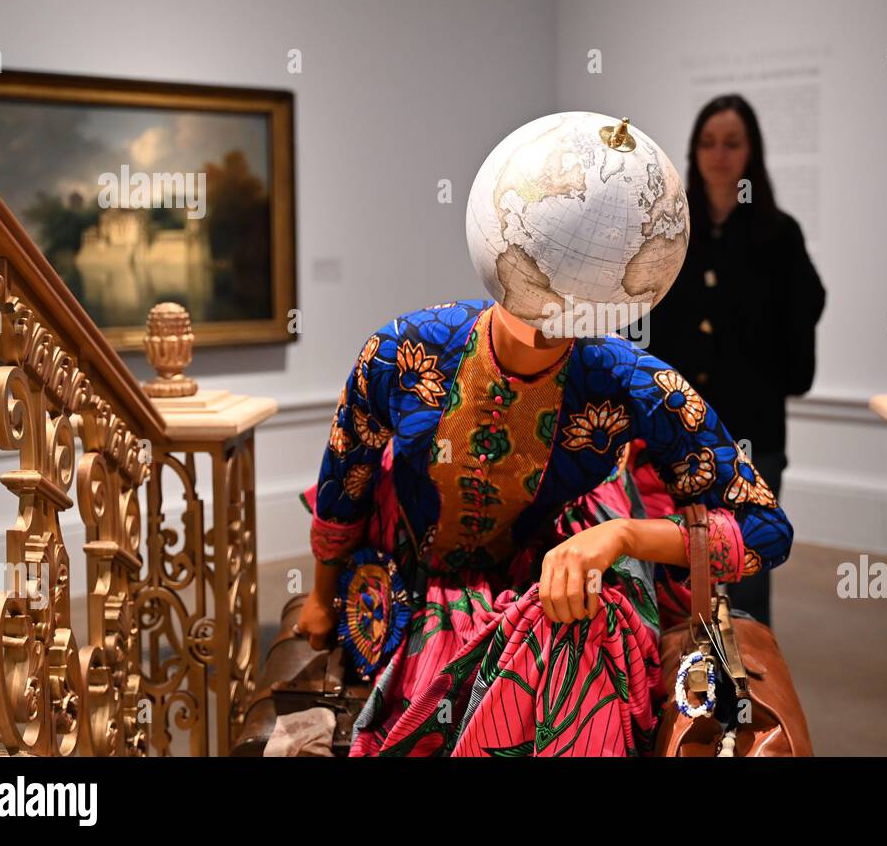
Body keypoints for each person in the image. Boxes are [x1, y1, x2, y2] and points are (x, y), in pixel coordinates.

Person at [294, 113, 795, 757]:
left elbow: (766, 530)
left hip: (551, 596)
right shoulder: (406, 350)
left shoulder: (629, 380)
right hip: (414, 585)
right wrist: (320, 595)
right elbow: (347, 474)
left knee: (581, 666)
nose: (549, 320)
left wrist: (620, 536)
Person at [647, 94, 826, 627]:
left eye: (731, 143)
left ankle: (748, 680)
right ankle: (677, 683)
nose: (718, 155)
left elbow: (804, 311)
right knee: (674, 556)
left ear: (752, 152)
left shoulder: (778, 234)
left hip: (752, 427)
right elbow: (642, 318)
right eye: (708, 143)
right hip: (677, 426)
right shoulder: (671, 232)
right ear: (693, 150)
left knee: (747, 558)